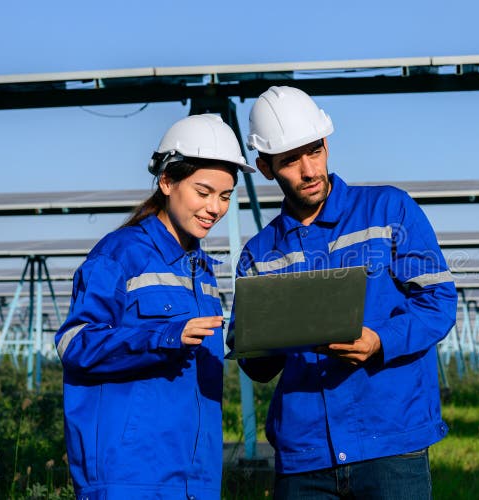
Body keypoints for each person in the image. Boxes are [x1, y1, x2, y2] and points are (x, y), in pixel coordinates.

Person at [229, 86, 458, 499]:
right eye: (290, 161)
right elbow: (258, 366)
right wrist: (256, 339)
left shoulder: (390, 210)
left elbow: (438, 301)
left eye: (314, 151)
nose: (309, 170)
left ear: (326, 144)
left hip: (390, 445)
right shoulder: (259, 254)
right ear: (265, 167)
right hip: (305, 456)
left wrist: (380, 342)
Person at [55, 114, 255, 500]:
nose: (215, 207)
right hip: (130, 476)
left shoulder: (202, 272)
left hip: (195, 478)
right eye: (203, 191)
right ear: (167, 182)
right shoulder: (119, 254)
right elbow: (74, 343)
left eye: (225, 196)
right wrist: (165, 336)